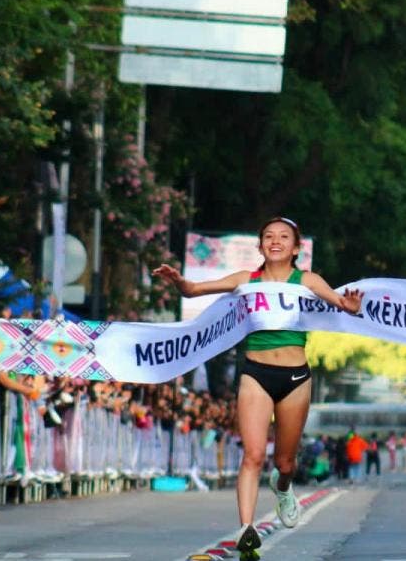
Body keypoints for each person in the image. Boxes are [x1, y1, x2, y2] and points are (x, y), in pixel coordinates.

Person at [152, 216, 363, 558]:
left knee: (285, 462)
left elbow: (341, 304)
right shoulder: (245, 280)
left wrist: (350, 307)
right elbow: (193, 290)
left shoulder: (307, 280)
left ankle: (283, 488)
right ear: (260, 245)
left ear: (297, 248)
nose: (275, 241)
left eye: (284, 237)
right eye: (268, 236)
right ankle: (246, 529)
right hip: (255, 373)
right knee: (252, 455)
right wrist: (179, 281)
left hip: (295, 378)